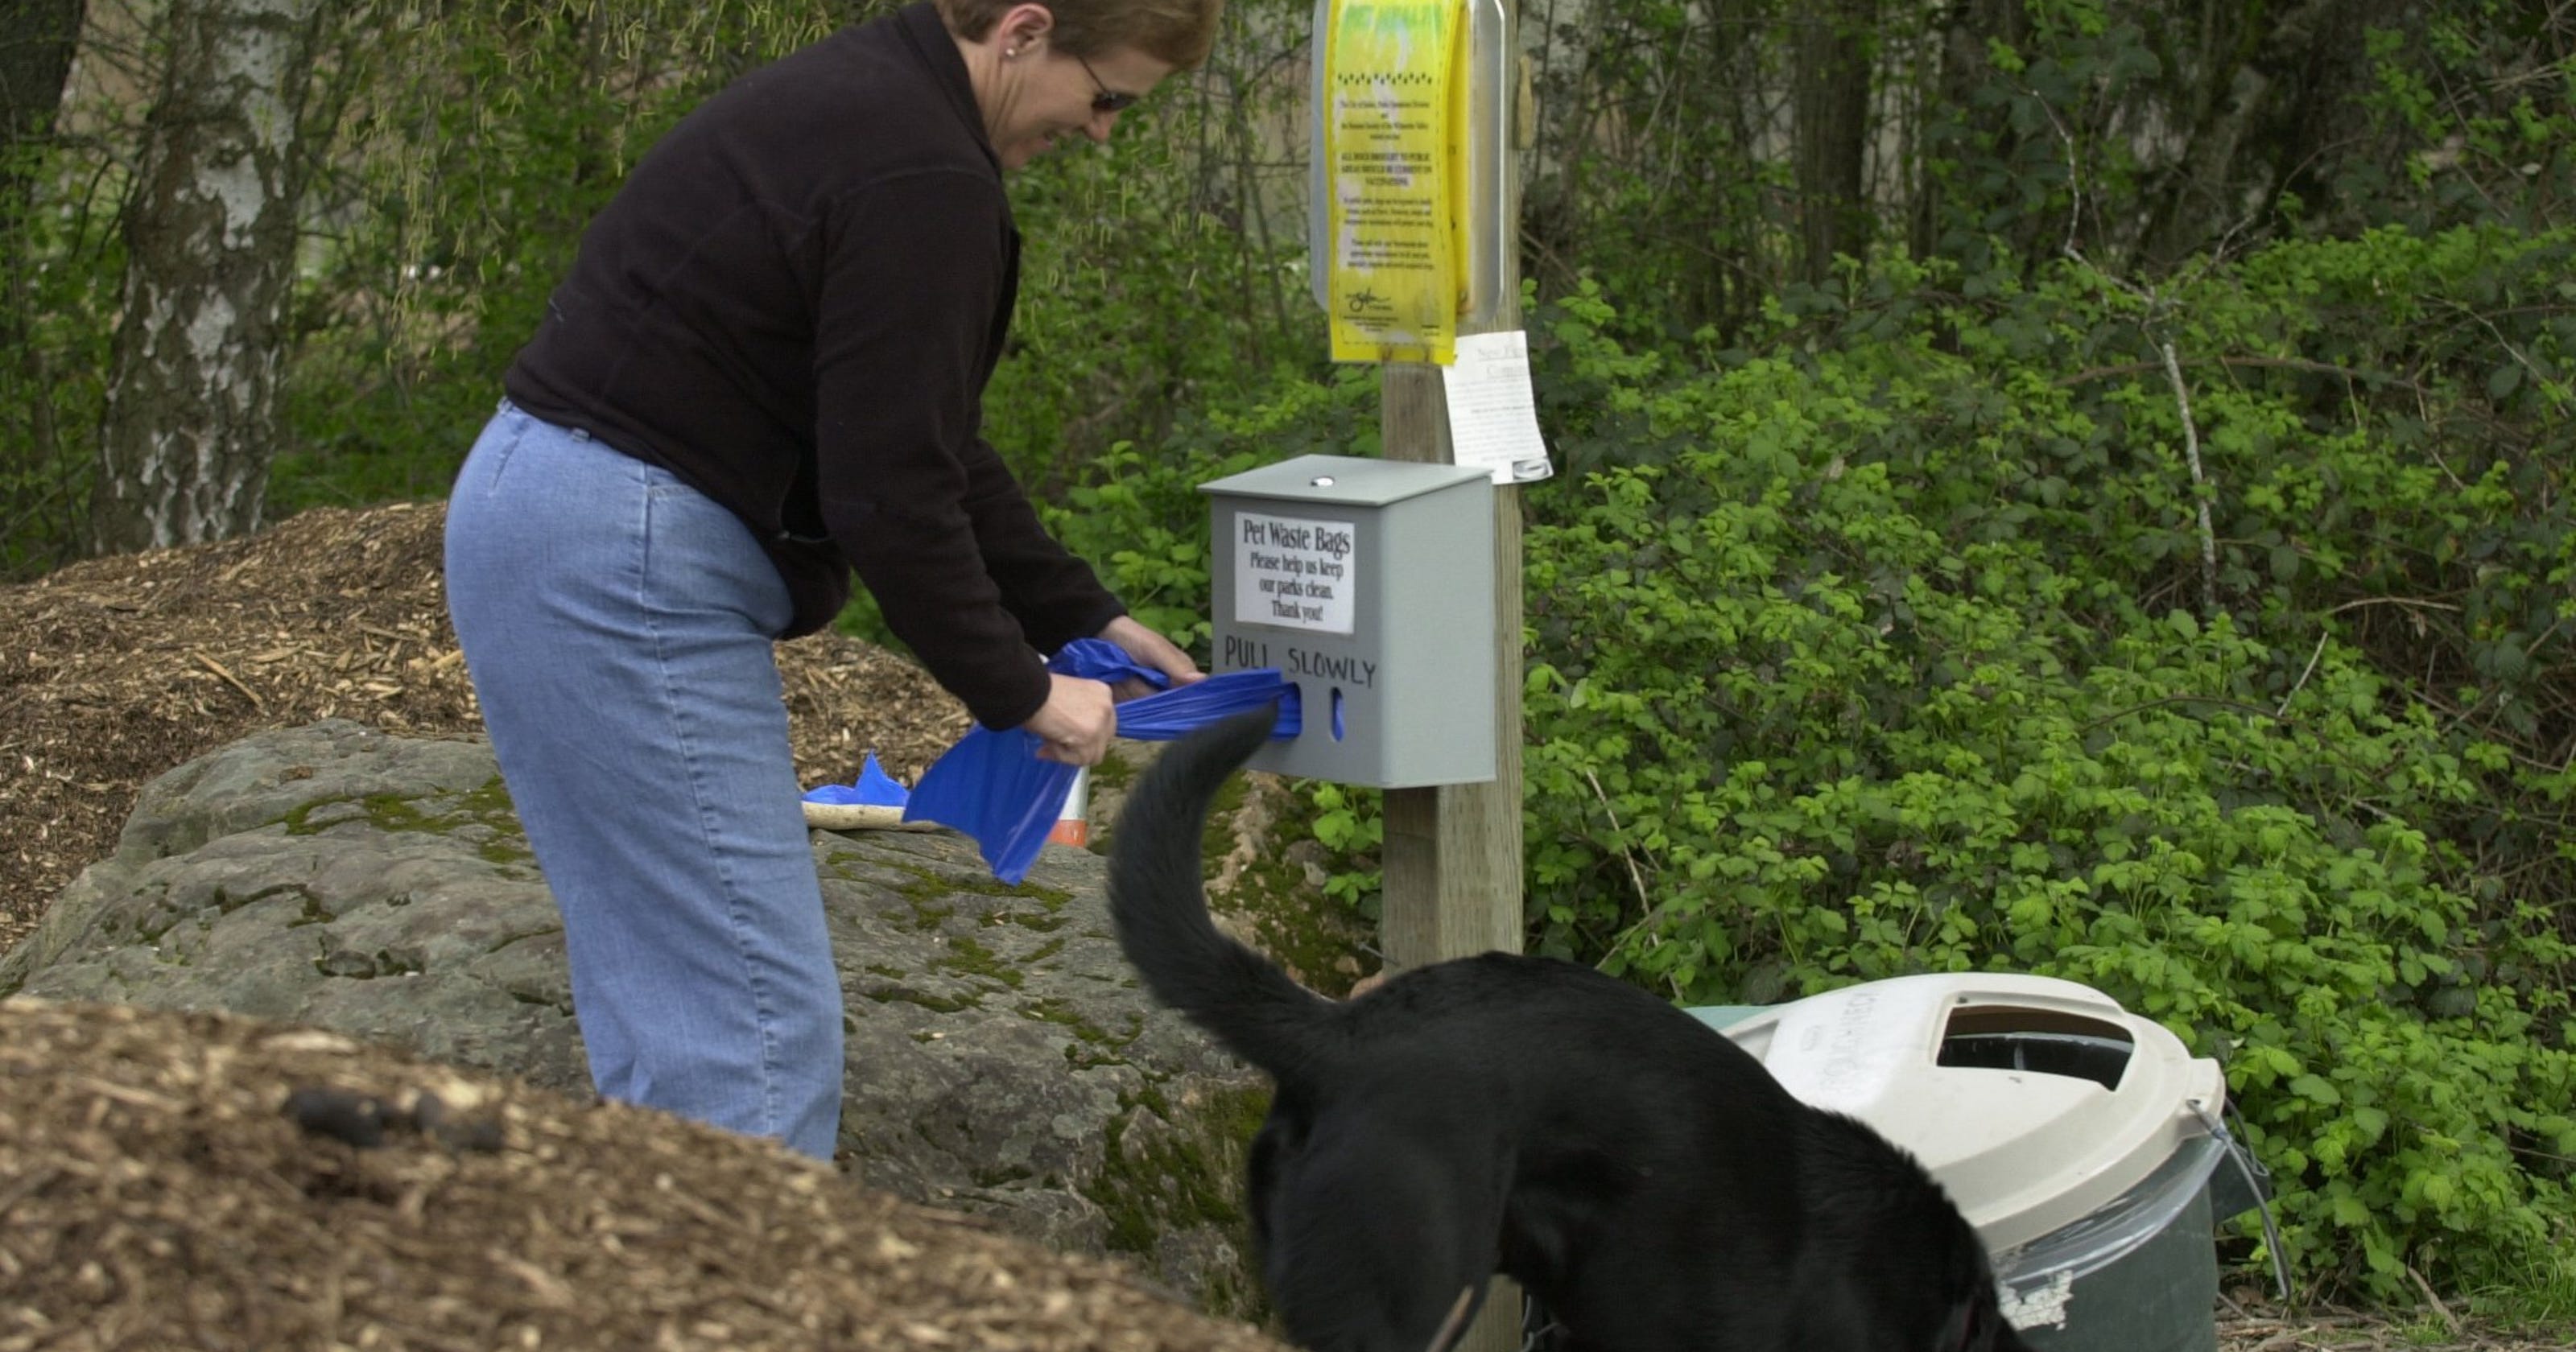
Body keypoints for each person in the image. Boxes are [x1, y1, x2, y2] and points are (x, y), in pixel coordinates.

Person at [442, 0, 1220, 1163]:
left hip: (554, 511)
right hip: (623, 563)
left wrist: (1081, 614)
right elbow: (887, 491)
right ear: (1023, 29)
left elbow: (922, 434)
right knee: (746, 1043)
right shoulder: (923, 174)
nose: (1102, 132)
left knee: (680, 1018)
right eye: (1105, 96)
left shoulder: (873, 100)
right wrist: (1022, 691)